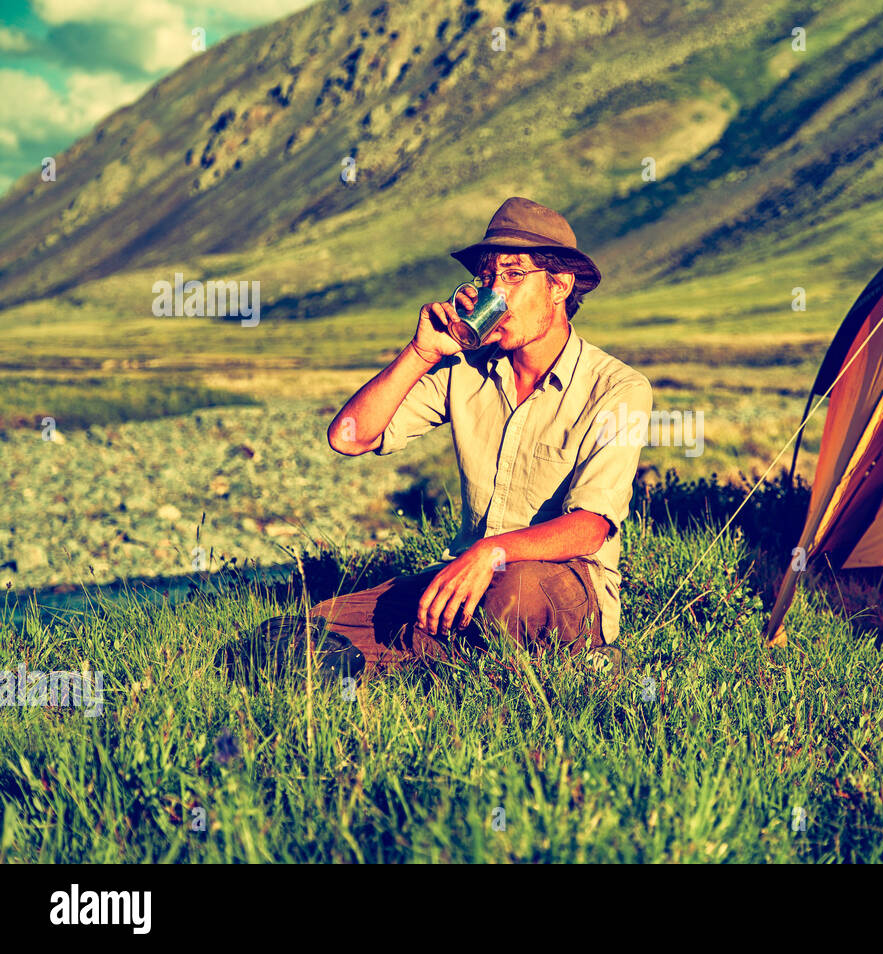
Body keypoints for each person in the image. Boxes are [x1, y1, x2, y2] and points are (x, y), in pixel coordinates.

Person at [217, 197, 652, 682]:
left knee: (509, 596)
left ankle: (569, 657)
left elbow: (590, 526)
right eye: (487, 279)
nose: (495, 294)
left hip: (563, 583)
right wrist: (421, 352)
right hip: (468, 573)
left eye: (512, 276)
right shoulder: (466, 370)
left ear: (559, 285)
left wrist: (491, 552)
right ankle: (417, 656)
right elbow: (348, 437)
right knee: (292, 634)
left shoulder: (618, 388)